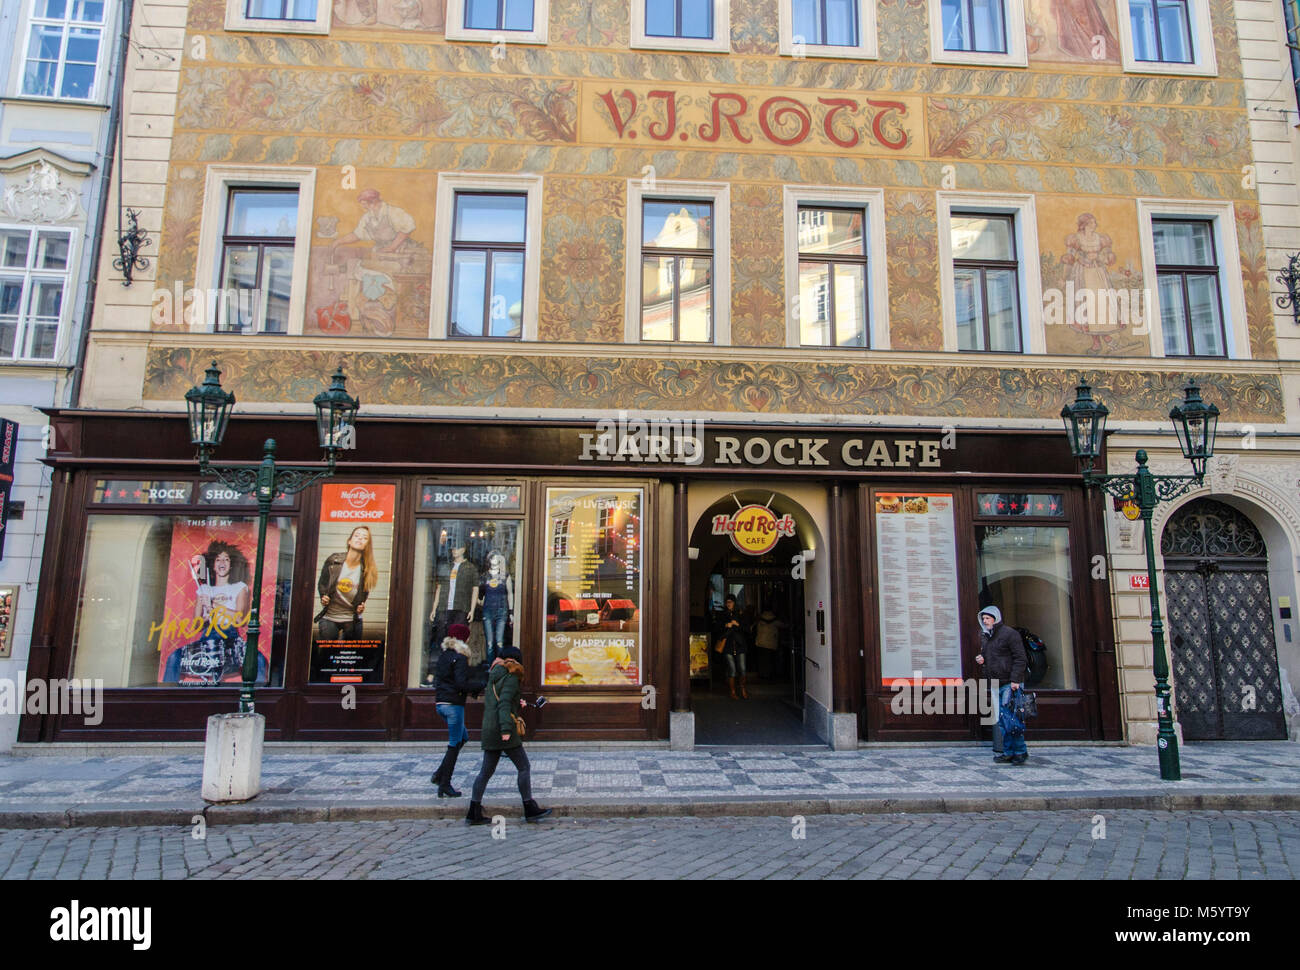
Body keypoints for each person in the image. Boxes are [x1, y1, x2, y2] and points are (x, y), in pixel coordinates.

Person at [465, 646, 551, 824]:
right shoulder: (511, 676)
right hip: (503, 731)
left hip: (489, 729)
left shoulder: (495, 675)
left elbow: (498, 701)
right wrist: (505, 730)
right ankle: (529, 807)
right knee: (524, 767)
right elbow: (503, 704)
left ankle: (473, 810)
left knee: (485, 772)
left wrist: (516, 703)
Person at [974, 605, 1029, 765]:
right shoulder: (987, 636)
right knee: (1002, 720)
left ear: (995, 618)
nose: (985, 621)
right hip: (995, 682)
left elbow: (1020, 658)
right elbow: (990, 655)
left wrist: (1015, 680)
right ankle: (1008, 752)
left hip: (1009, 683)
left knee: (1012, 720)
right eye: (983, 619)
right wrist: (982, 658)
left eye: (988, 618)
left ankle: (1020, 751)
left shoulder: (1009, 634)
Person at [430, 622, 473, 798]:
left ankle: (439, 774)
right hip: (454, 705)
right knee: (454, 744)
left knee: (463, 737)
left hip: (441, 704)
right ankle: (445, 783)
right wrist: (480, 685)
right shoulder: (460, 658)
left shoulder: (444, 655)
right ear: (465, 638)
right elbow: (461, 683)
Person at [315, 526, 377, 640]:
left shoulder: (367, 569)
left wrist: (361, 606)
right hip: (330, 618)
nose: (359, 539)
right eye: (356, 535)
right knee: (326, 655)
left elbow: (363, 595)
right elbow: (322, 583)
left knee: (351, 654)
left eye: (364, 538)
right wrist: (323, 596)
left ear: (367, 545)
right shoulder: (334, 560)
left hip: (352, 620)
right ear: (349, 541)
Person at [430, 544, 479, 649]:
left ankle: (457, 661)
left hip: (461, 608)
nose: (454, 550)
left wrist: (472, 610)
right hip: (445, 607)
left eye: (457, 548)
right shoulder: (446, 567)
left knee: (459, 639)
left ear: (464, 549)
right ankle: (445, 660)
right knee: (442, 637)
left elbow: (475, 589)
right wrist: (434, 608)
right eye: (452, 548)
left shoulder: (470, 568)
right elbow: (439, 587)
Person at [479, 551, 514, 664]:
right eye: (493, 558)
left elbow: (510, 594)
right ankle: (490, 668)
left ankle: (500, 667)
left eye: (497, 558)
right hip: (487, 611)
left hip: (502, 611)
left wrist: (511, 612)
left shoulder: (505, 576)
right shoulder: (484, 576)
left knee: (499, 642)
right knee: (489, 642)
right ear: (489, 560)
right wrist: (480, 603)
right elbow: (479, 594)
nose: (495, 560)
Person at [713, 594, 749, 699]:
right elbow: (715, 628)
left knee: (742, 669)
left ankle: (742, 689)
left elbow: (747, 629)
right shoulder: (722, 615)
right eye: (727, 602)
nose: (729, 604)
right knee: (732, 669)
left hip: (740, 645)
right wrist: (725, 625)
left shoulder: (741, 614)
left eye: (731, 602)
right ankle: (732, 691)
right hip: (727, 645)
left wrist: (738, 624)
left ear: (734, 603)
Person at [753, 607, 786, 681]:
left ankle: (762, 675)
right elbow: (785, 626)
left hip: (760, 643)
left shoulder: (759, 620)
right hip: (772, 644)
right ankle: (770, 676)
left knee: (762, 661)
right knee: (771, 661)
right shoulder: (776, 621)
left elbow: (752, 628)